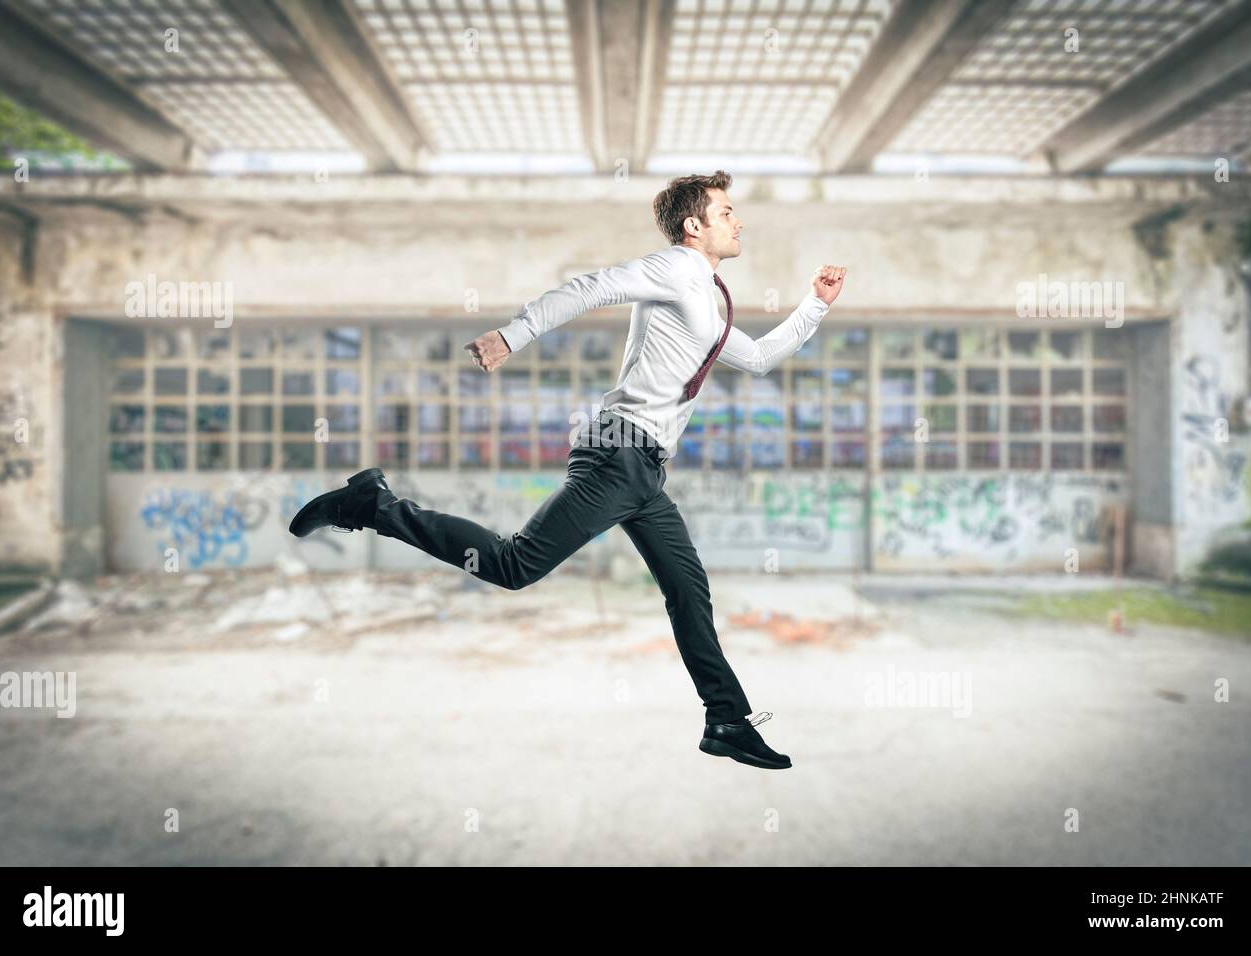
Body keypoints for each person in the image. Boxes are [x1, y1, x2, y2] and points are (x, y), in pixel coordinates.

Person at [289, 170, 846, 769]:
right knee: (513, 564)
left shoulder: (703, 297)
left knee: (689, 591)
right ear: (695, 226)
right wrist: (514, 333)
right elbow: (591, 287)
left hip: (644, 471)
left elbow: (758, 358)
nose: (738, 221)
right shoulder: (676, 268)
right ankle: (373, 506)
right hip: (619, 454)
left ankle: (727, 722)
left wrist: (815, 304)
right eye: (727, 211)